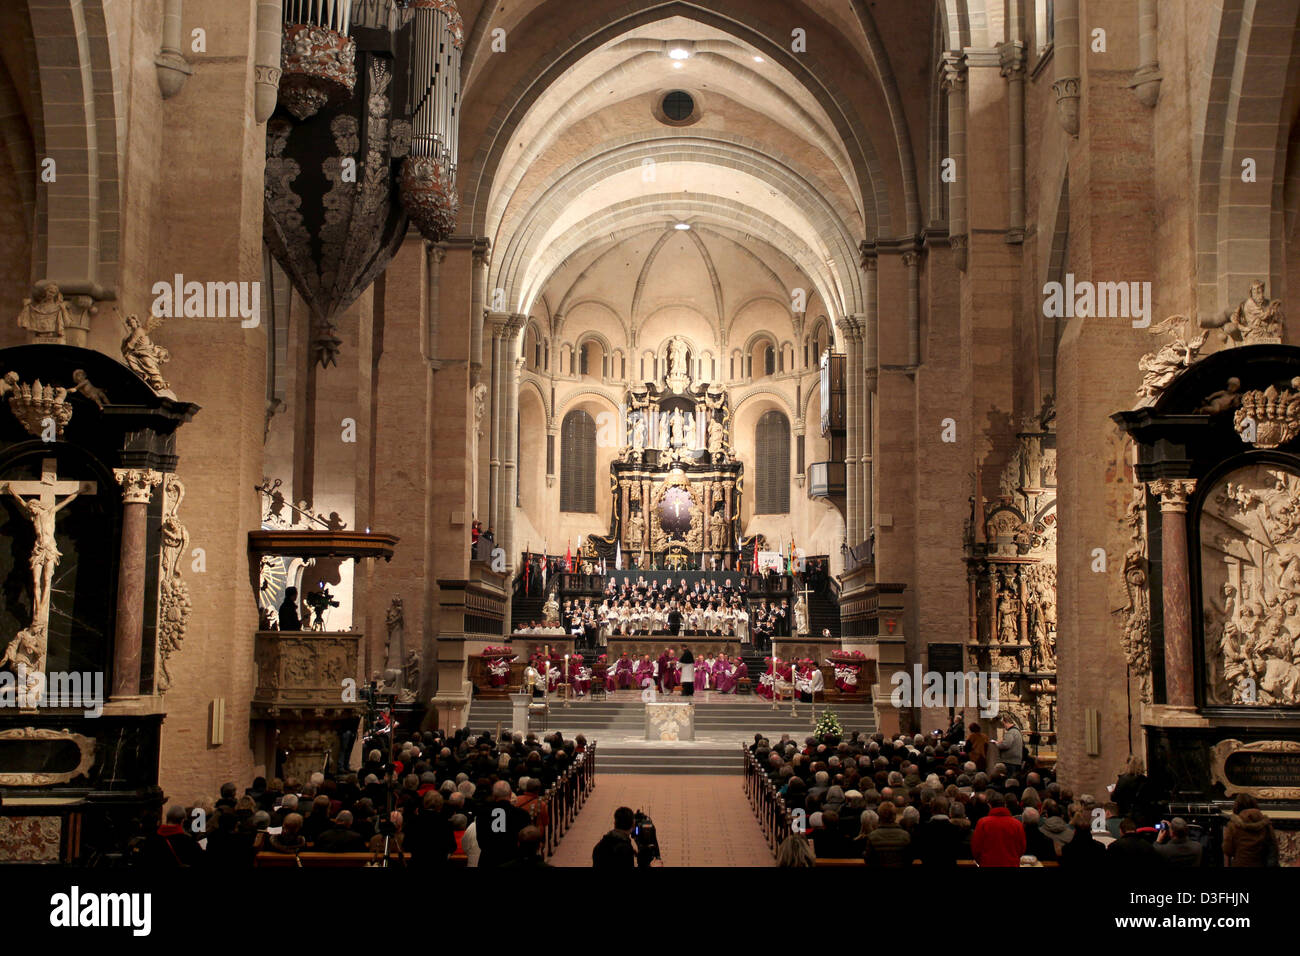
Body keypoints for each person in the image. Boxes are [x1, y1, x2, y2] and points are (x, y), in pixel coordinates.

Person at [473, 780, 531, 867]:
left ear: (494, 795)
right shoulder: (522, 814)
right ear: (511, 794)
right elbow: (526, 843)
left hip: (488, 860)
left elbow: (481, 841)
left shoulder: (483, 814)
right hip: (514, 859)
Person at [1222, 794, 1278, 867]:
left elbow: (1227, 849)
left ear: (1237, 806)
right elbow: (1273, 848)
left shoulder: (1233, 825)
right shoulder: (1266, 824)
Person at [970, 793, 1025, 867]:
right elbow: (1021, 848)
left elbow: (976, 848)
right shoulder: (1017, 824)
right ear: (1005, 805)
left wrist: (983, 861)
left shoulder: (983, 823)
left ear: (989, 805)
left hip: (988, 864)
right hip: (1010, 864)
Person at [862, 801, 912, 866]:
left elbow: (868, 859)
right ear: (895, 816)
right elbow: (910, 858)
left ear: (879, 816)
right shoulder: (905, 836)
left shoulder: (872, 836)